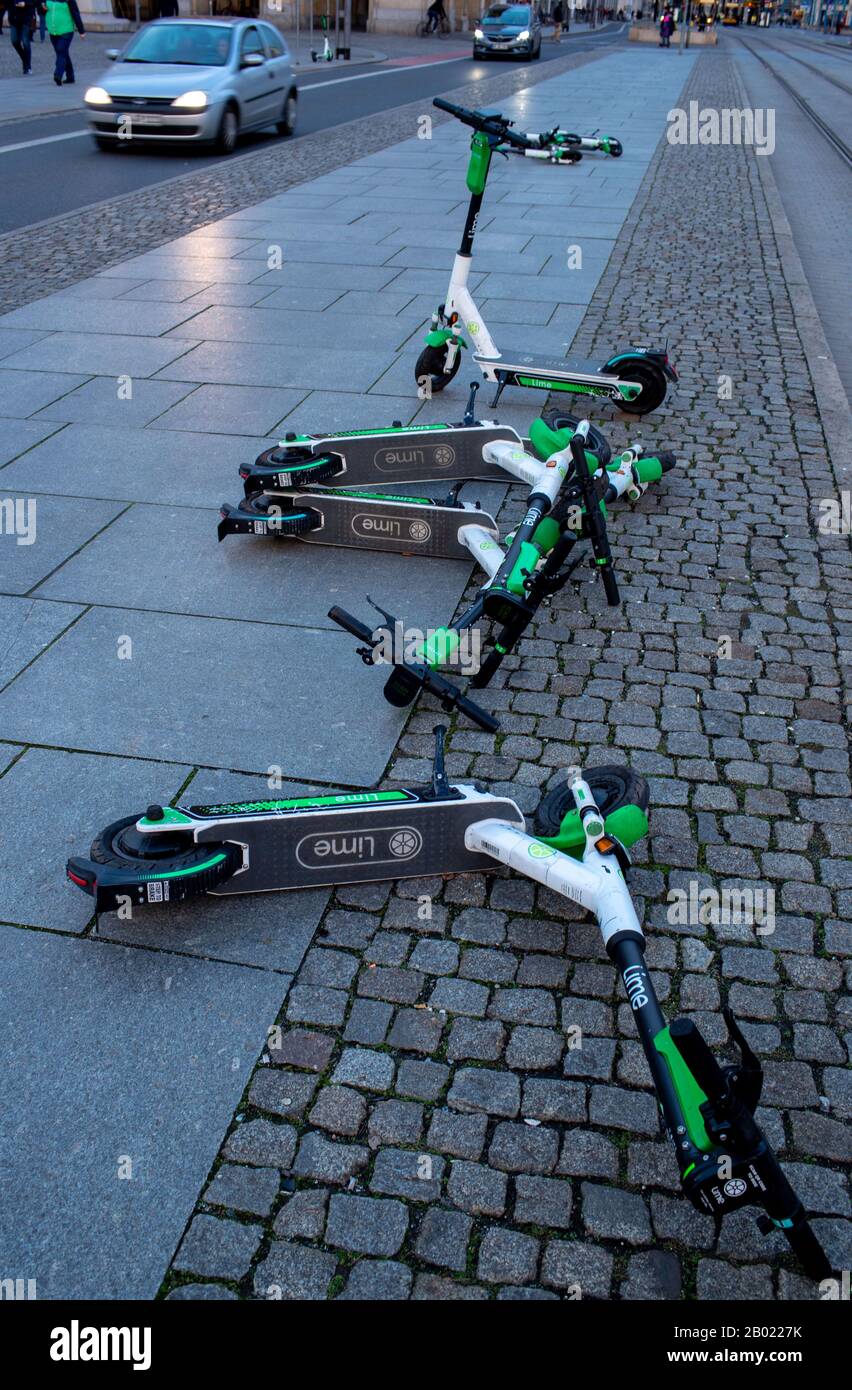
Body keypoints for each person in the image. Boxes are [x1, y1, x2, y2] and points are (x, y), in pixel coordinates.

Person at [45, 0, 85, 85]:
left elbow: (76, 14)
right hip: (53, 31)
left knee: (61, 50)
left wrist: (81, 31)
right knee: (63, 53)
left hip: (66, 30)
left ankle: (58, 74)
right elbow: (40, 10)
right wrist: (41, 7)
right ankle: (70, 76)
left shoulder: (69, 1)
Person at [7, 0, 45, 72]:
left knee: (25, 42)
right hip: (14, 19)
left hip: (26, 19)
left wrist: (26, 3)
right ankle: (25, 59)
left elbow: (36, 2)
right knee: (14, 41)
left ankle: (27, 67)